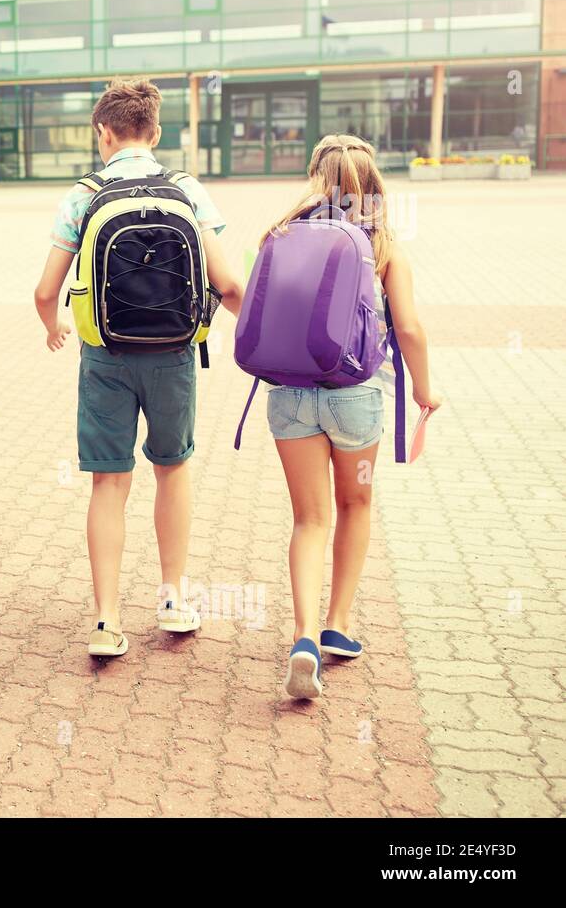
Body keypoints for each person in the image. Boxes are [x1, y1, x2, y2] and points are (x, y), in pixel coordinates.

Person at [33, 77, 243, 659]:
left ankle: (106, 620)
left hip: (106, 355)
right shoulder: (188, 190)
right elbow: (226, 284)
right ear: (154, 132)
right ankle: (173, 599)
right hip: (174, 353)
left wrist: (52, 327)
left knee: (109, 480)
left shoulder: (82, 195)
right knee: (172, 469)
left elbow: (44, 290)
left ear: (104, 132)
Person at [261, 135, 440, 699]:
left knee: (309, 520)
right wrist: (426, 392)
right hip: (356, 400)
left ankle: (304, 638)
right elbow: (408, 328)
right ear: (374, 187)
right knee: (355, 504)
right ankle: (338, 624)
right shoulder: (384, 247)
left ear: (315, 178)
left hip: (289, 398)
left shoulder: (280, 234)